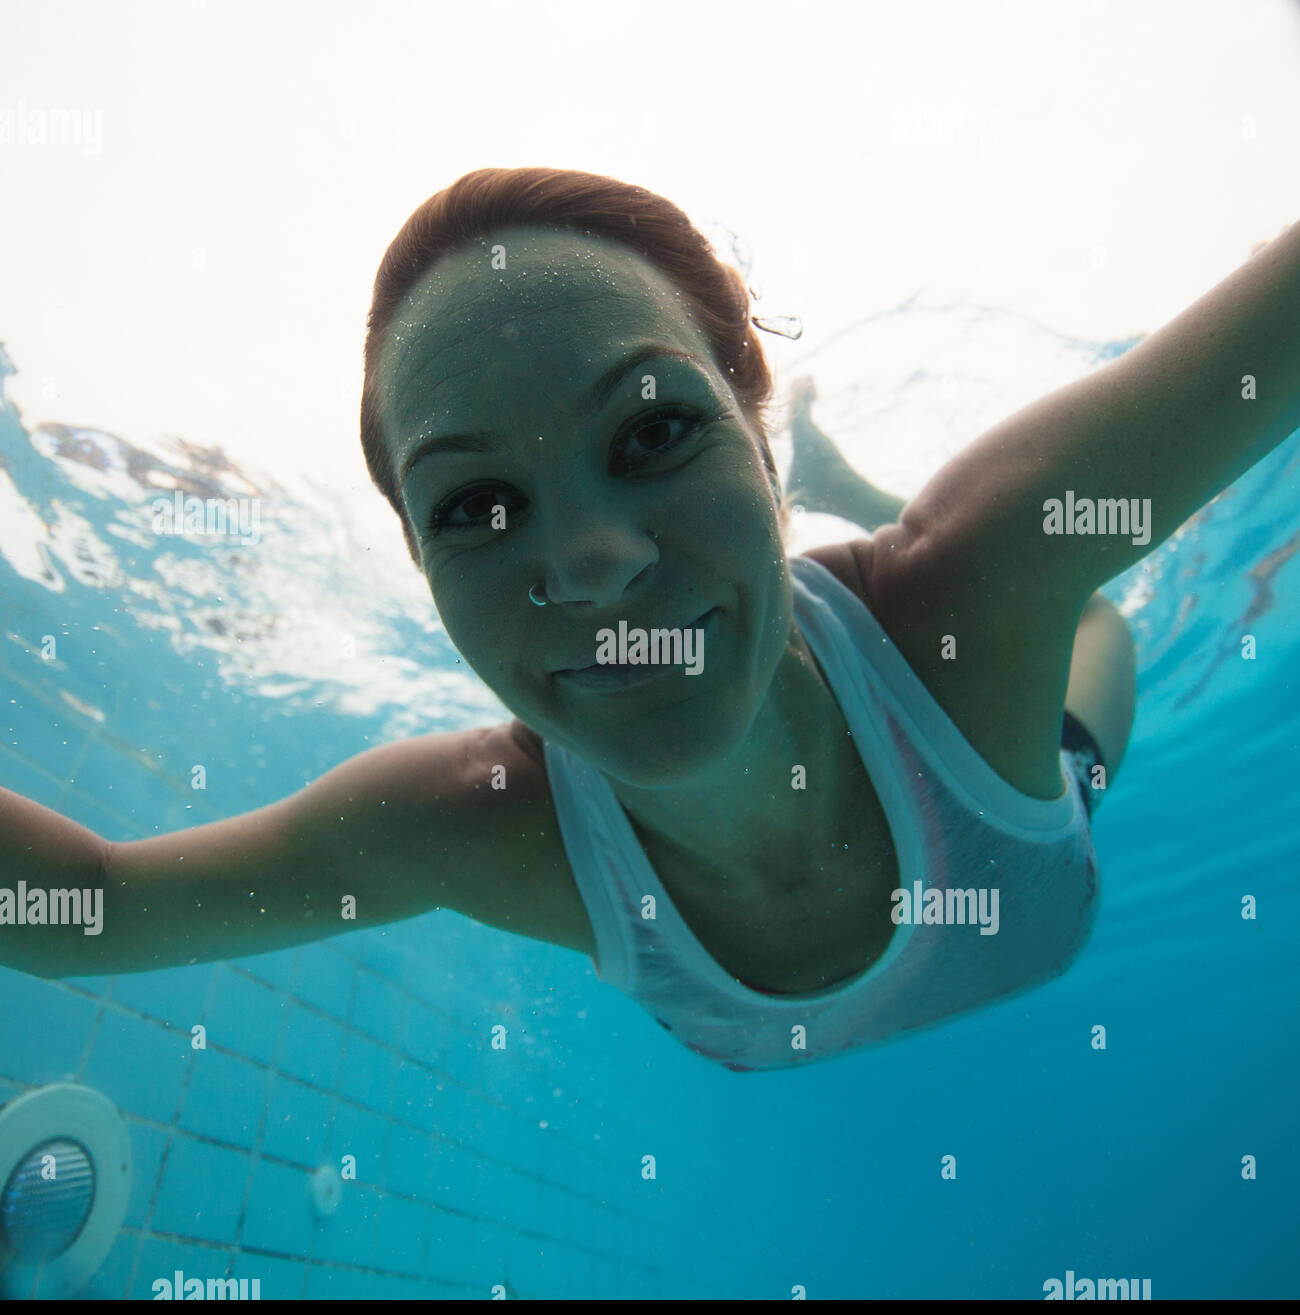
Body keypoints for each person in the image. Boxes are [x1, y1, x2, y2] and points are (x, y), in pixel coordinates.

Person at [4, 169, 1296, 1071]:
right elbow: (92, 912)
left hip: (1040, 747)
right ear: (418, 562)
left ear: (758, 440)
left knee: (1096, 618)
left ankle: (849, 484)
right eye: (480, 505)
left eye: (656, 429)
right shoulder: (464, 818)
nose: (592, 566)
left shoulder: (965, 579)